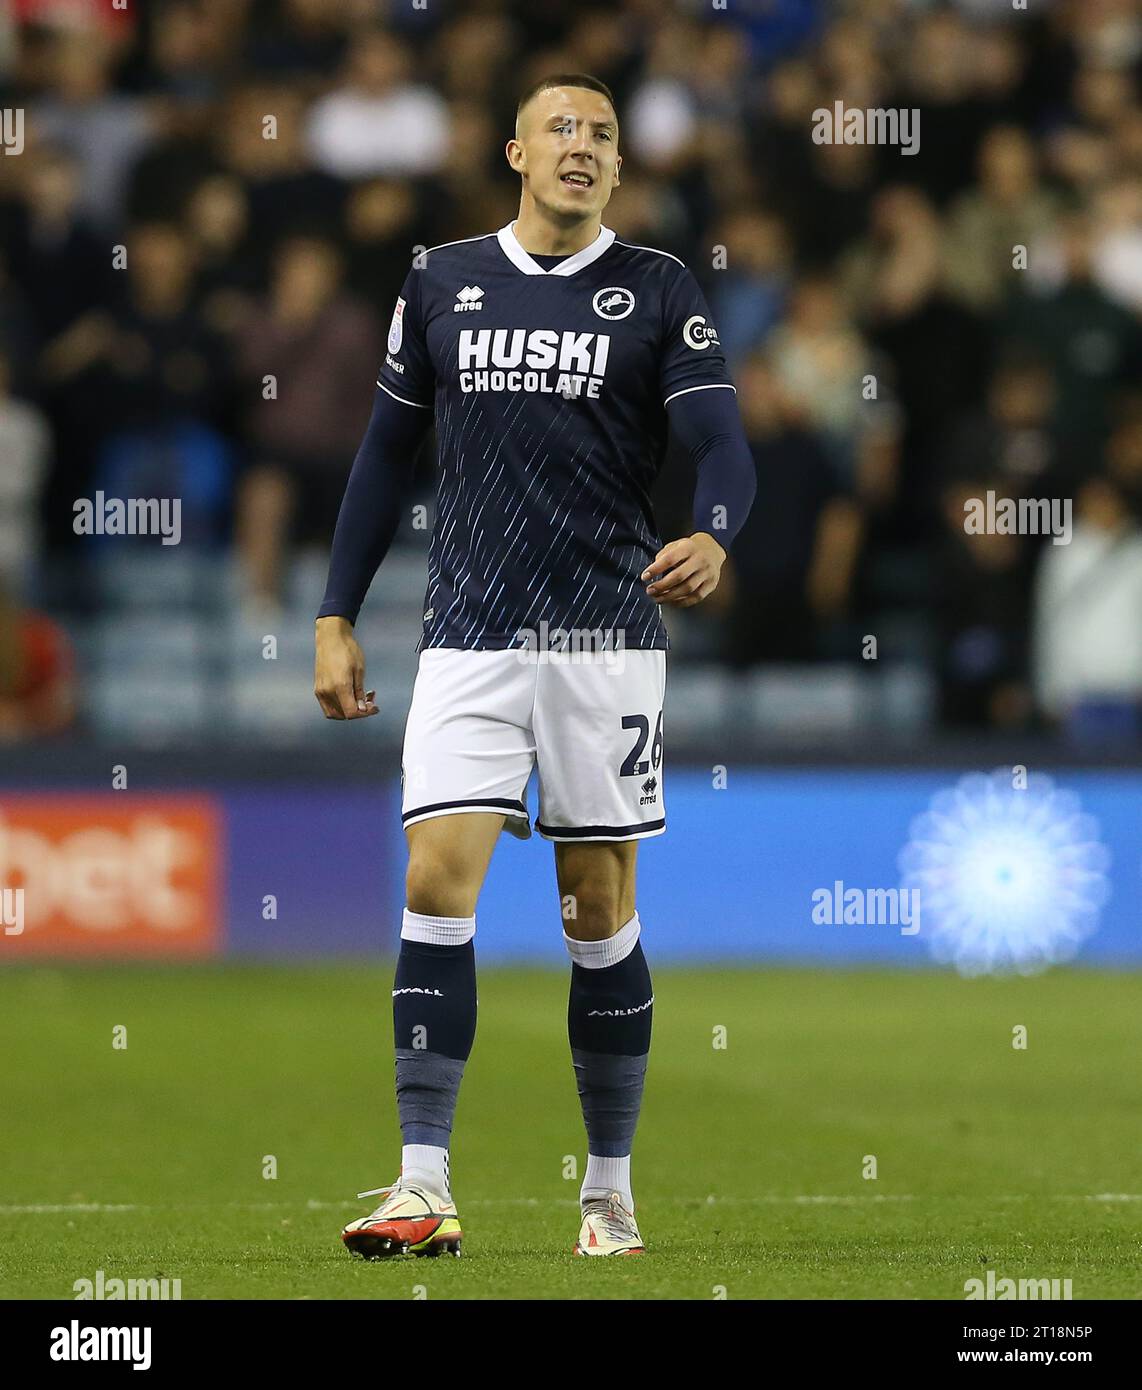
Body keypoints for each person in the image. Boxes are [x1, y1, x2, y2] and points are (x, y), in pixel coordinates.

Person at [313, 75, 755, 1259]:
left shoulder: (657, 287)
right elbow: (383, 455)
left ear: (616, 166)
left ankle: (606, 1192)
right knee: (433, 881)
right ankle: (421, 1184)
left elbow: (722, 441)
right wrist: (333, 614)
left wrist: (714, 531)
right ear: (514, 152)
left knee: (593, 908)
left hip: (601, 639)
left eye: (601, 134)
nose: (581, 145)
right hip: (467, 632)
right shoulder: (441, 280)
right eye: (559, 128)